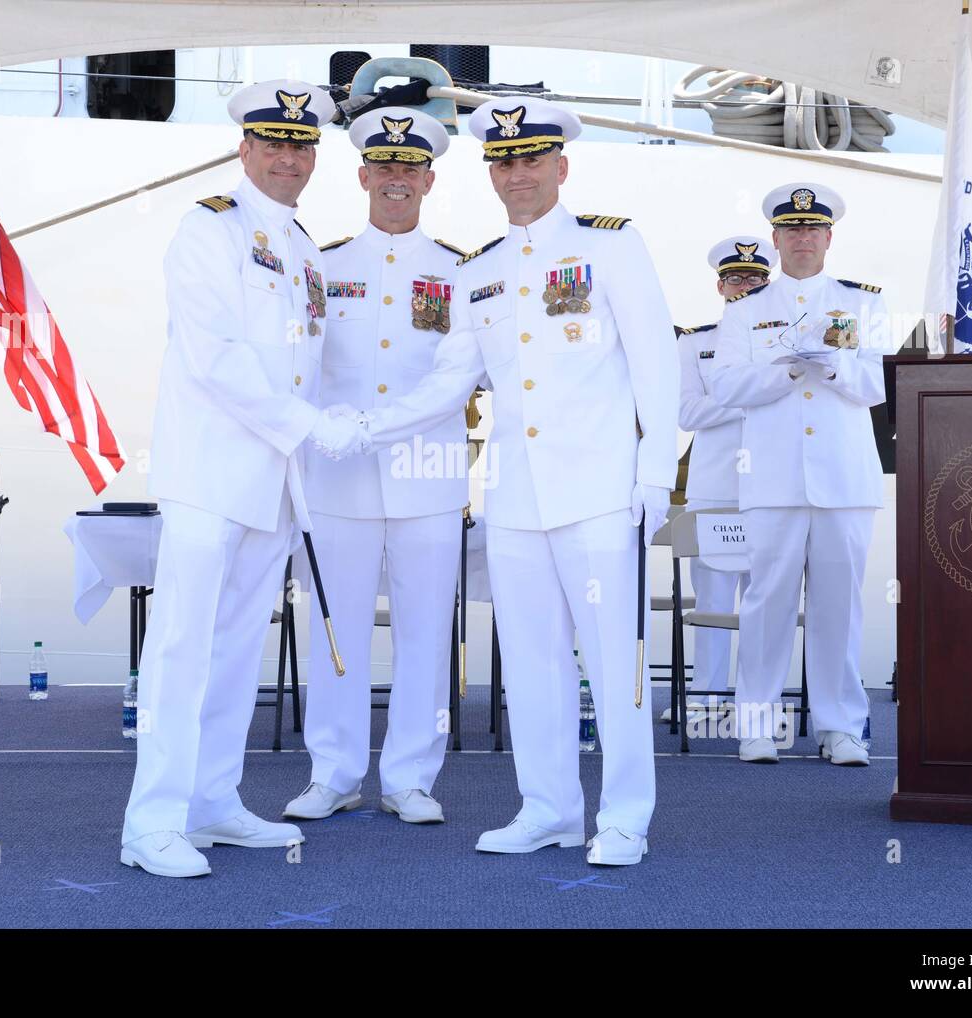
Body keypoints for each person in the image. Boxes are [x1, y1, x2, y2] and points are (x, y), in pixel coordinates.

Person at [326, 97, 679, 866]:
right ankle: (548, 808)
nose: (516, 175)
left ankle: (624, 816)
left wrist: (656, 474)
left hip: (599, 493)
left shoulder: (611, 247)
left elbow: (658, 364)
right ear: (491, 172)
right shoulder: (478, 271)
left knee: (614, 661)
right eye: (503, 162)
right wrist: (362, 427)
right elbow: (450, 383)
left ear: (561, 166)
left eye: (530, 160)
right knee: (532, 660)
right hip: (517, 497)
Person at [120, 80, 367, 878]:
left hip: (275, 485)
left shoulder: (301, 248)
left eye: (303, 147)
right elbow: (216, 359)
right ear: (246, 148)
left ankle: (211, 801)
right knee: (181, 650)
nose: (289, 158)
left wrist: (333, 425)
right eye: (275, 144)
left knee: (233, 654)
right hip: (209, 473)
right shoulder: (208, 230)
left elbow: (308, 368)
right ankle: (151, 822)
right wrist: (309, 427)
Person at [283, 106, 466, 825]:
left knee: (425, 634)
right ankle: (333, 772)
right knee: (336, 629)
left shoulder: (460, 270)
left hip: (429, 478)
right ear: (362, 175)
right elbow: (299, 363)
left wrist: (368, 427)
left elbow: (456, 379)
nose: (397, 179)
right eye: (384, 167)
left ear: (428, 179)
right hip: (338, 479)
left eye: (410, 169)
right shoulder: (321, 266)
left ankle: (411, 778)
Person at [710, 182, 888, 766]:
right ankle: (758, 725)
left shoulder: (864, 303)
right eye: (792, 229)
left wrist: (832, 365)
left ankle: (840, 726)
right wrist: (787, 372)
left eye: (813, 229)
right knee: (768, 604)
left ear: (829, 237)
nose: (803, 238)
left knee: (839, 604)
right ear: (776, 238)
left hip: (843, 479)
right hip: (773, 478)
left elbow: (876, 386)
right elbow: (729, 386)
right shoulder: (747, 310)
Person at [665, 236, 775, 723]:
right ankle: (707, 700)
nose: (744, 286)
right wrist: (753, 395)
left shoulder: (782, 337)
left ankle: (756, 703)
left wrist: (739, 397)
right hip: (713, 490)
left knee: (766, 602)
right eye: (736, 279)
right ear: (720, 285)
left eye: (754, 279)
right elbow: (687, 413)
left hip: (774, 489)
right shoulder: (695, 342)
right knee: (712, 602)